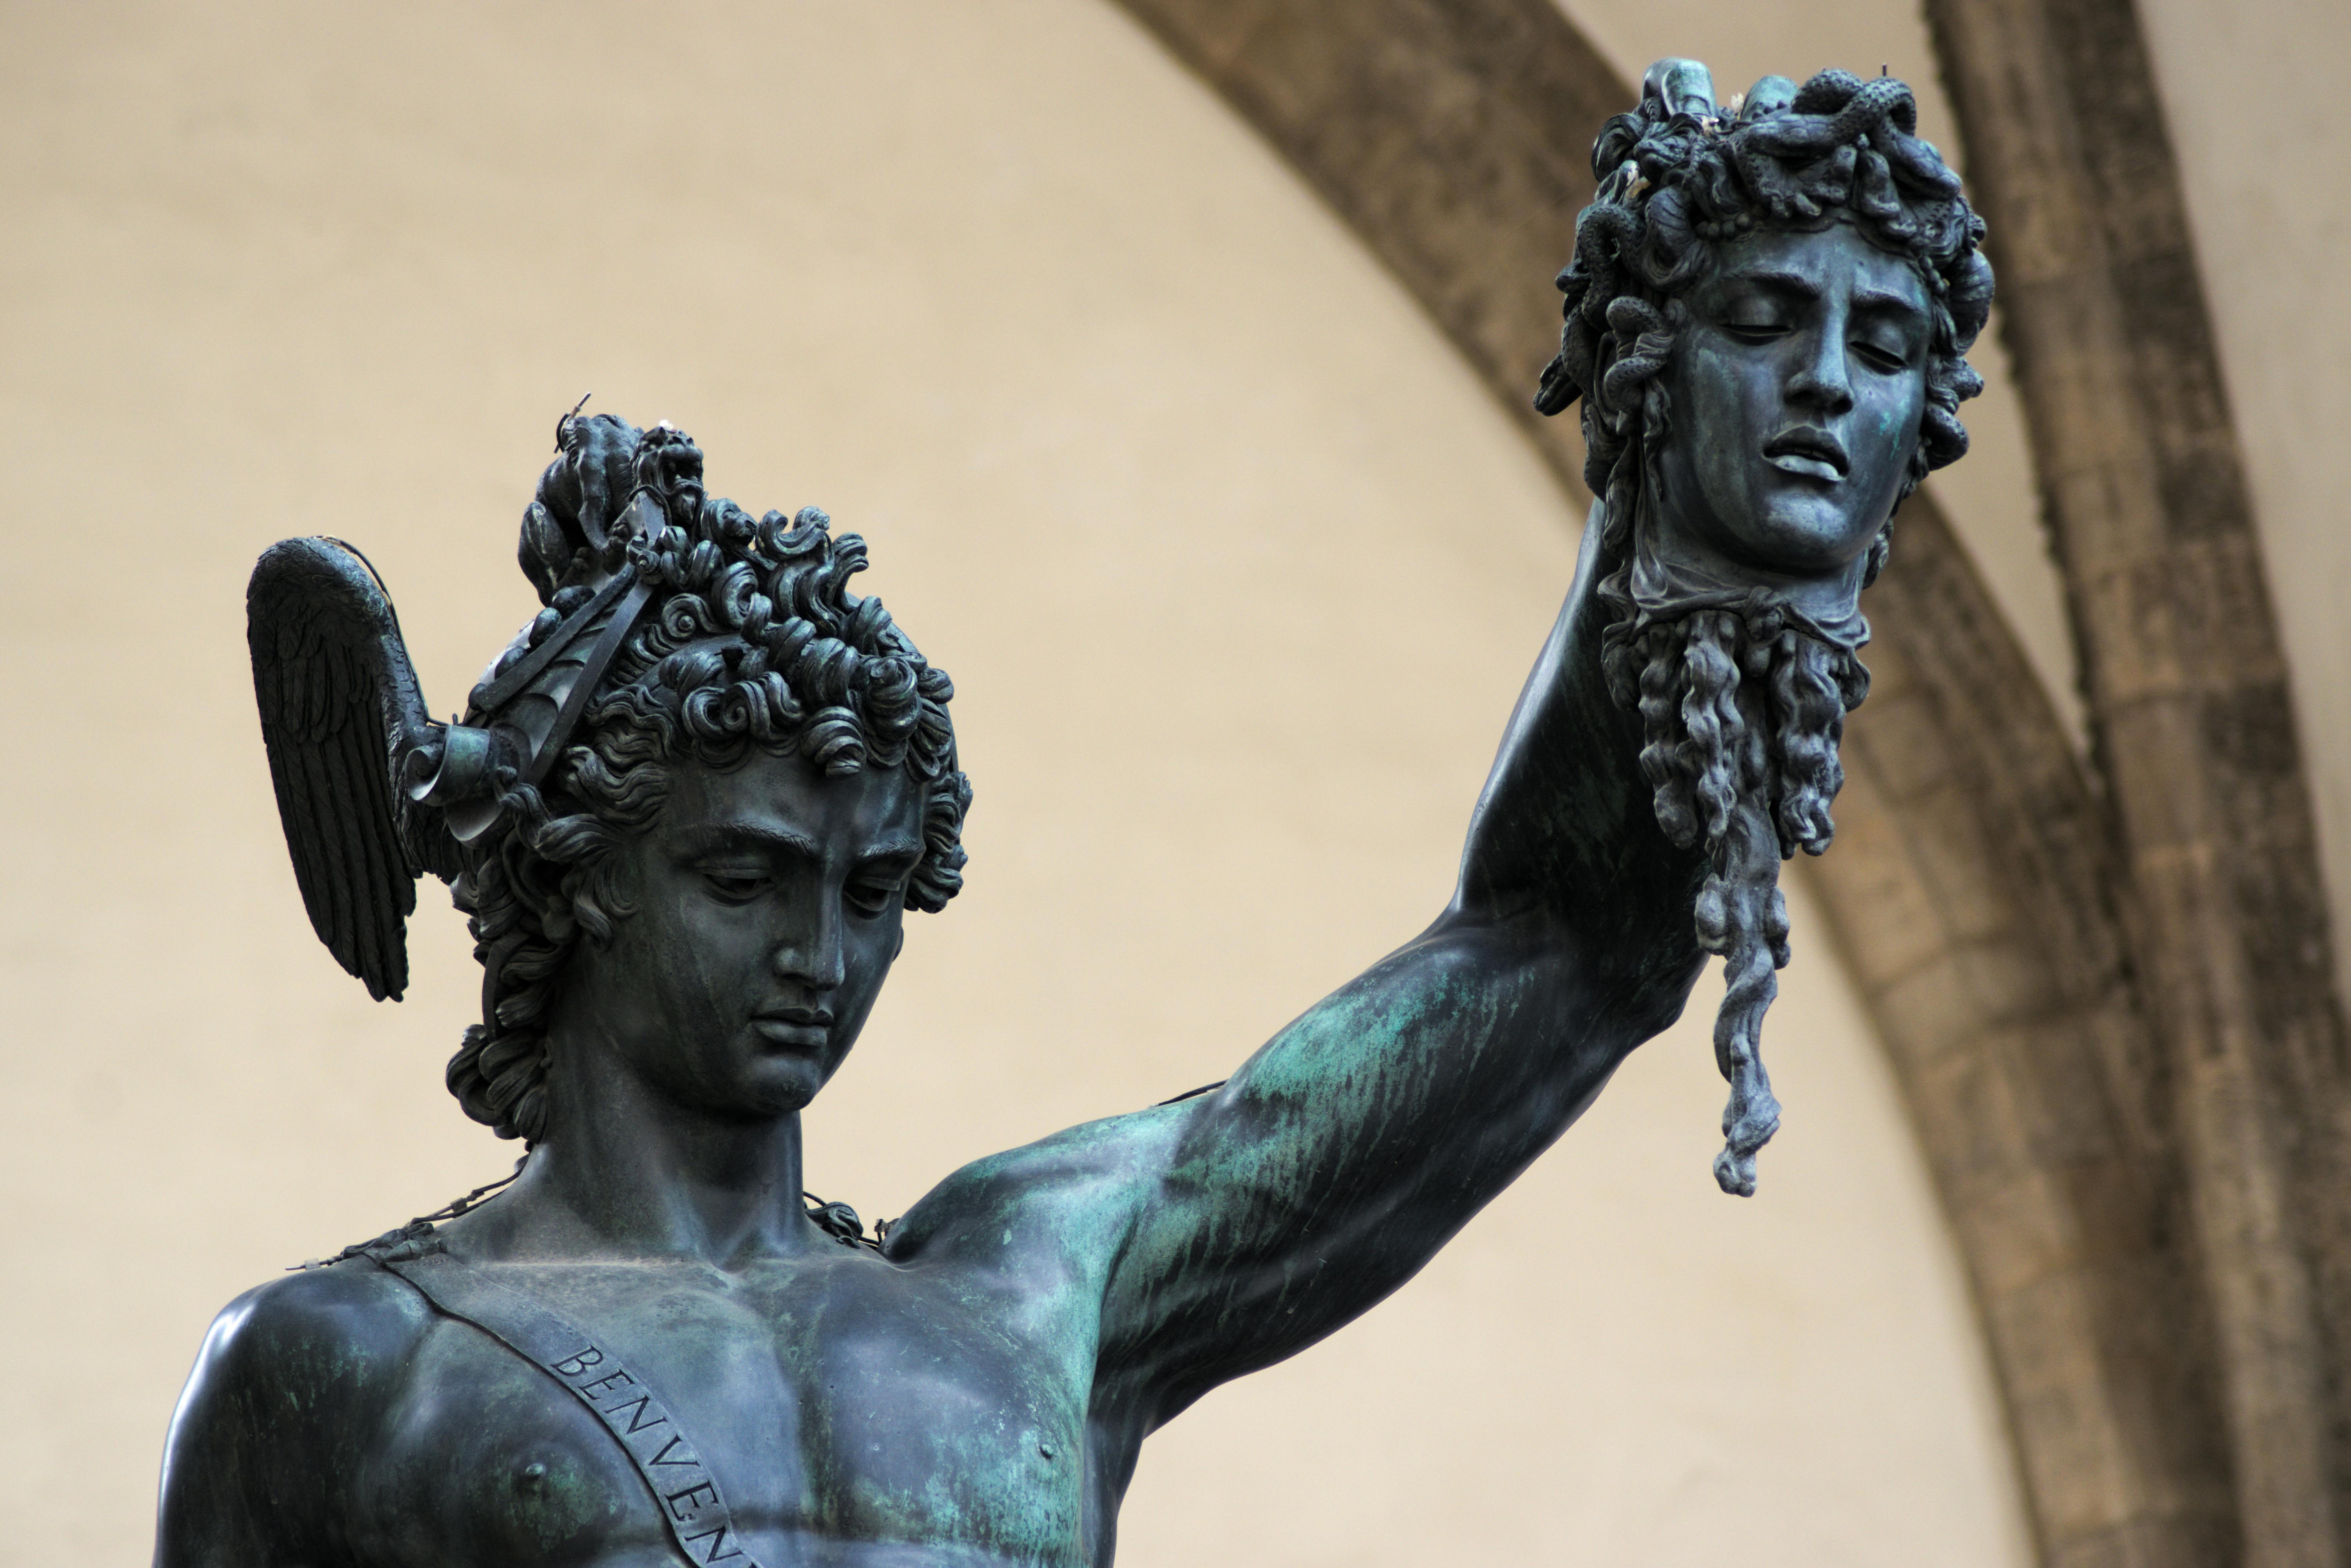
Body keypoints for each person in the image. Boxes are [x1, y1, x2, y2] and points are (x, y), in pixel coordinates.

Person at [156, 59, 1987, 1568]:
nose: (820, 955)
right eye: (743, 876)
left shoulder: (1036, 1290)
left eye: (873, 891)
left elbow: (1558, 948)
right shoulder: (342, 1369)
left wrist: (1682, 501)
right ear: (571, 879)